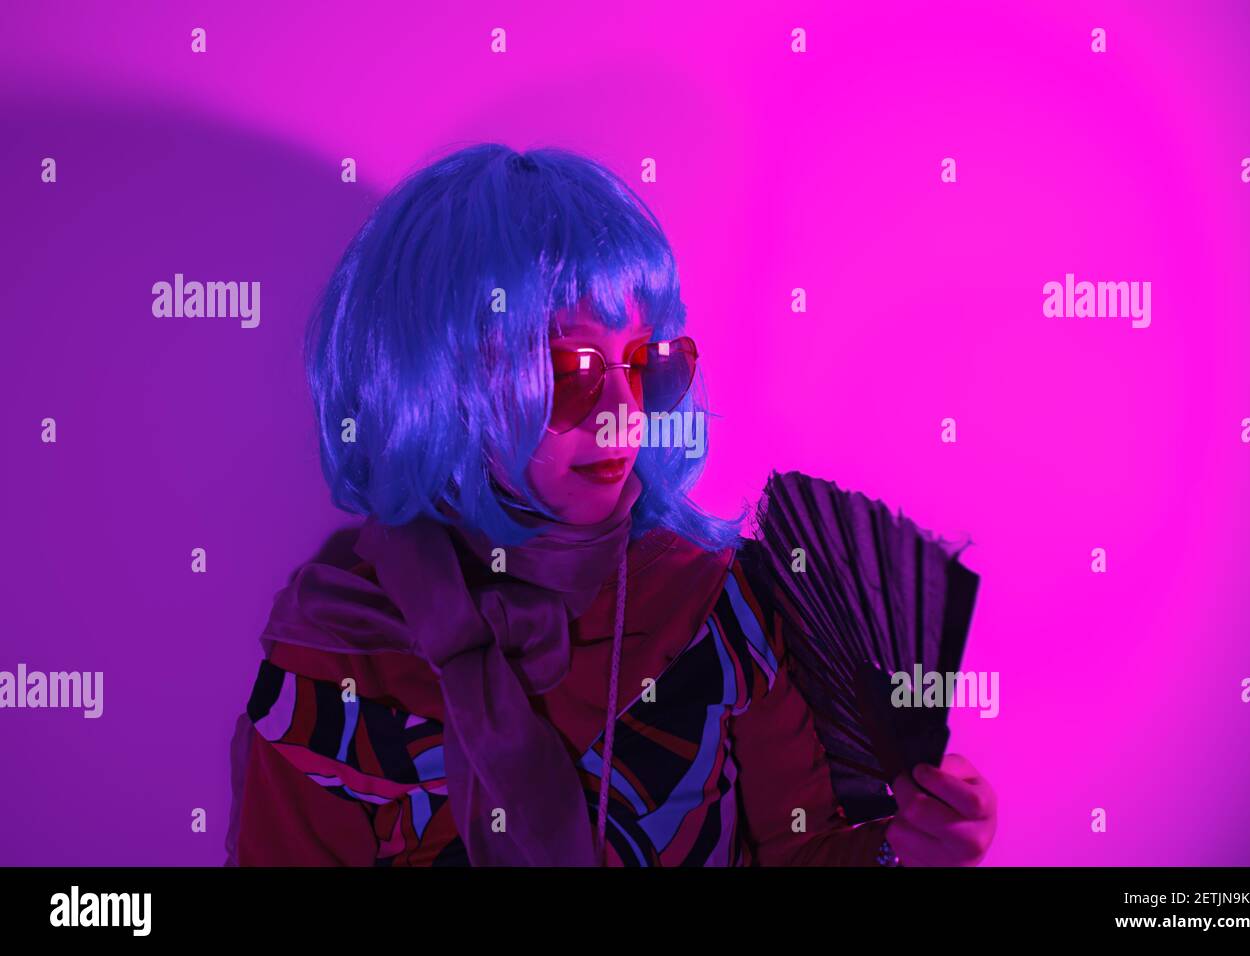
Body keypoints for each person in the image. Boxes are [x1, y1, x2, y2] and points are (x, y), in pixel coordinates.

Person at [223, 144, 997, 867]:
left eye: (648, 363)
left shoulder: (720, 608)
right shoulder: (331, 663)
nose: (623, 412)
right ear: (440, 381)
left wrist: (908, 847)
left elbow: (803, 852)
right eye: (571, 367)